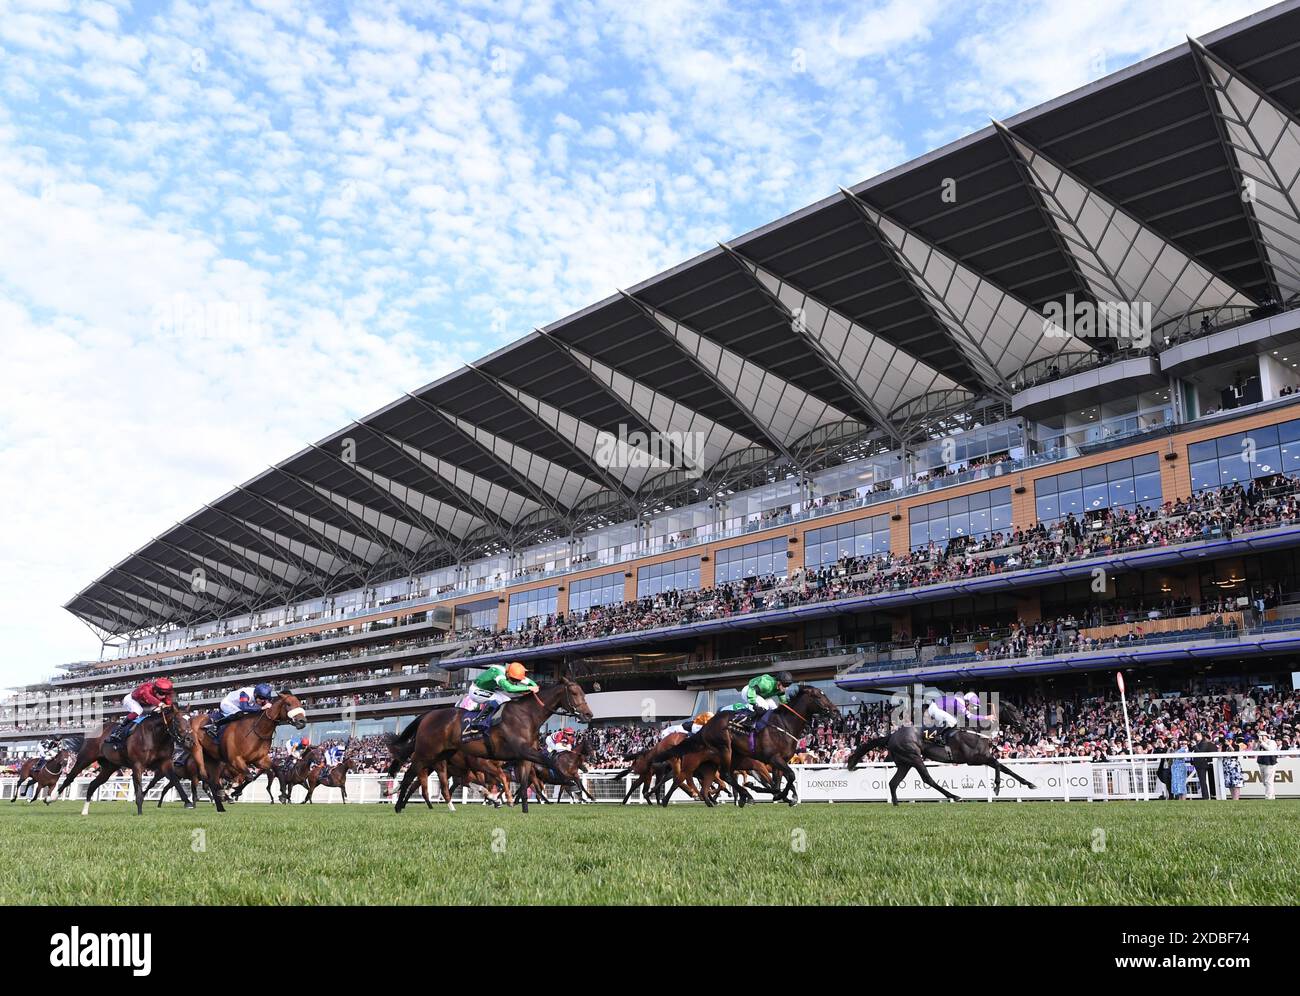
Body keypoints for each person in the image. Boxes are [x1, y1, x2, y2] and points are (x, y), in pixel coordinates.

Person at [461, 662, 539, 730]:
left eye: (517, 680)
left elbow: (529, 681)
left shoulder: (511, 673)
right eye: (514, 680)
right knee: (497, 699)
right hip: (475, 690)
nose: (515, 681)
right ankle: (478, 721)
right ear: (508, 674)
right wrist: (528, 688)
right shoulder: (498, 674)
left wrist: (535, 687)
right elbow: (509, 688)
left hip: (488, 690)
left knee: (508, 701)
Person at [105, 677, 176, 749]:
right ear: (155, 690)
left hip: (145, 704)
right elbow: (149, 698)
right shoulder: (146, 688)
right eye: (162, 693)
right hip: (131, 700)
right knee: (138, 710)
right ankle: (119, 730)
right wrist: (161, 704)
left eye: (166, 694)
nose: (164, 696)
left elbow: (169, 706)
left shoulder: (165, 695)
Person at [724, 672, 793, 730]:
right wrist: (754, 704)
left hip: (760, 695)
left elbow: (784, 702)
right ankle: (748, 721)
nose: (786, 688)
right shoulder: (766, 684)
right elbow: (752, 690)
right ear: (779, 682)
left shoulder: (780, 689)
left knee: (774, 707)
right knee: (764, 706)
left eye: (788, 685)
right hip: (748, 691)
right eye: (785, 685)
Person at [206, 683, 273, 737]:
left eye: (264, 699)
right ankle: (215, 724)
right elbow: (244, 708)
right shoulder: (245, 694)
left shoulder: (259, 694)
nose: (262, 701)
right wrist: (261, 708)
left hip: (238, 705)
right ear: (255, 695)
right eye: (261, 699)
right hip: (227, 703)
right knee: (239, 713)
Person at [1256, 728, 1279, 800]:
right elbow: (1255, 750)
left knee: (1268, 781)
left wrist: (1262, 743)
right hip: (1261, 763)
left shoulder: (1271, 742)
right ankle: (1272, 796)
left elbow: (1270, 749)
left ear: (1265, 736)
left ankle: (1268, 797)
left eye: (1261, 736)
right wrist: (1258, 743)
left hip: (1270, 763)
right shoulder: (1260, 743)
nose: (1260, 737)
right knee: (1264, 781)